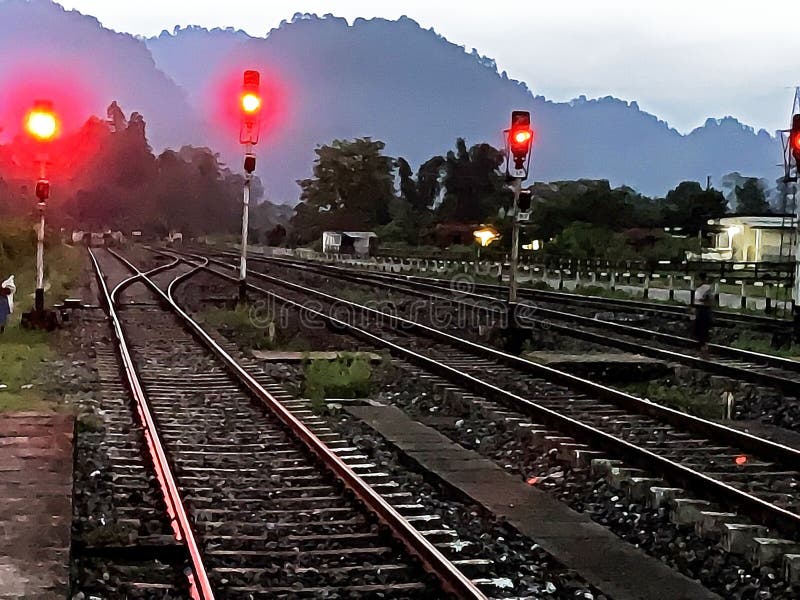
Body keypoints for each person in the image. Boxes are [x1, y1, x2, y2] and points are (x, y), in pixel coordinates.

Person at [692, 272, 713, 356]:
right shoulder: (699, 288)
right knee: (699, 329)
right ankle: (702, 345)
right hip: (699, 309)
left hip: (703, 310)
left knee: (702, 328)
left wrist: (703, 301)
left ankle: (704, 346)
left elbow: (708, 299)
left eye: (698, 279)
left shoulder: (706, 288)